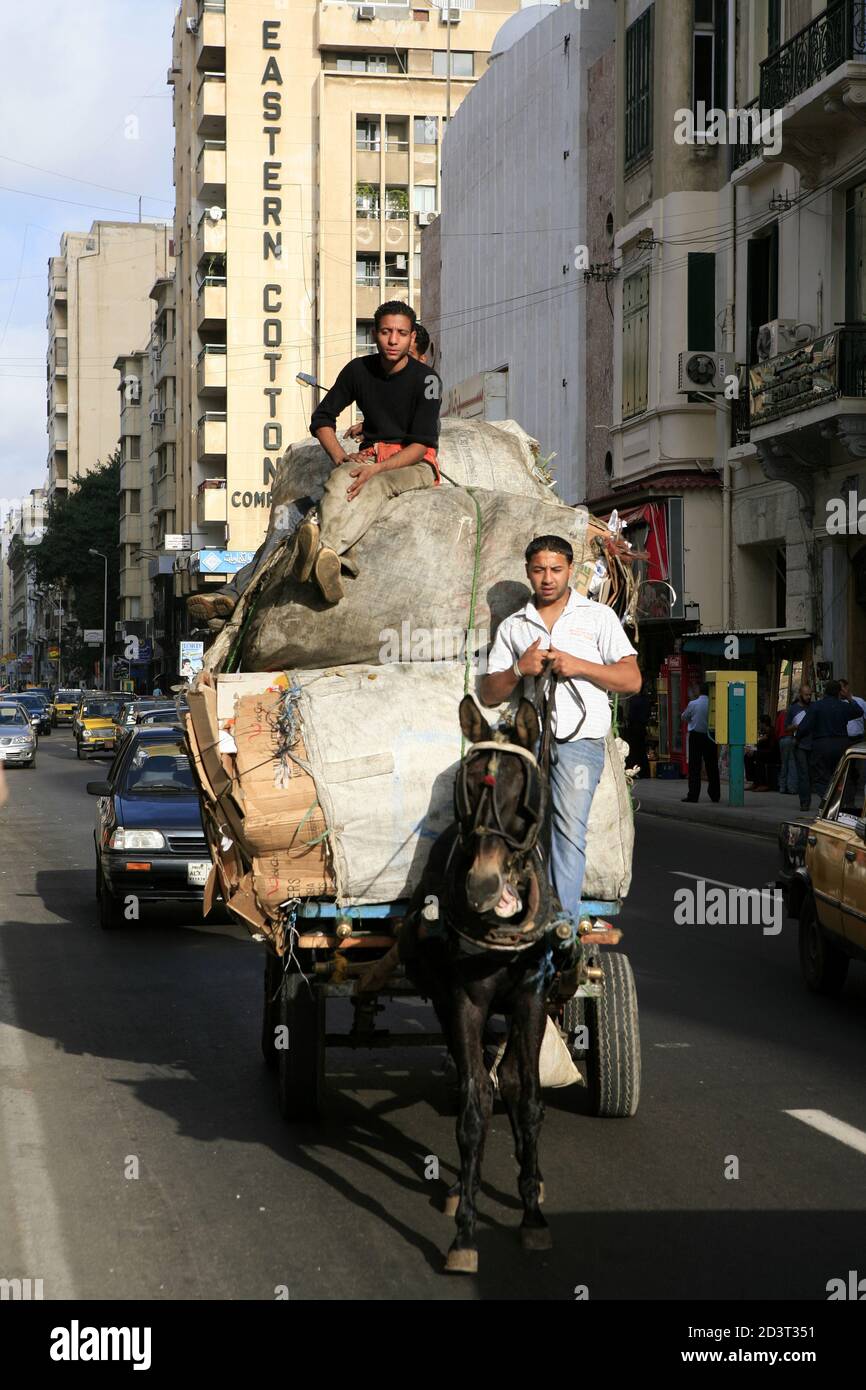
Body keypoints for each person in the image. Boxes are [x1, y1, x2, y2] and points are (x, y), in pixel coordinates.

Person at [186, 303, 441, 619]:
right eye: (386, 332)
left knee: (371, 485)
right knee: (290, 516)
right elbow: (323, 417)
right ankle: (234, 594)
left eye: (402, 335)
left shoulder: (428, 382)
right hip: (367, 460)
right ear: (375, 334)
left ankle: (327, 552)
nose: (393, 341)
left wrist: (376, 466)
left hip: (403, 466)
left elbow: (421, 444)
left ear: (414, 343)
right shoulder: (359, 371)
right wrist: (341, 456)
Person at [480, 535, 641, 921]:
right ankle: (507, 902)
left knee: (568, 831)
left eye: (555, 569)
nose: (547, 578)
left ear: (570, 570)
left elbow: (631, 679)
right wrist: (521, 668)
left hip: (580, 743)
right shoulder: (514, 626)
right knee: (505, 817)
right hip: (529, 740)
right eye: (539, 570)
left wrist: (578, 665)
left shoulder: (597, 617)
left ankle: (560, 926)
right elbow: (488, 692)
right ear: (528, 573)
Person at [795, 680, 862, 798]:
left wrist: (798, 738)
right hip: (841, 744)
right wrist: (849, 698)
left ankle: (827, 801)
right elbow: (858, 711)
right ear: (839, 693)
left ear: (825, 692)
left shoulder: (816, 706)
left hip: (822, 745)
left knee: (821, 777)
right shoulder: (844, 706)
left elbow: (804, 727)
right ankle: (841, 801)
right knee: (842, 775)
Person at [680, 682, 720, 803]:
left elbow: (684, 717)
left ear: (699, 691)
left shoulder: (693, 703)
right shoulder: (714, 704)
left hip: (696, 736)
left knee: (694, 766)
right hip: (711, 736)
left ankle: (693, 794)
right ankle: (715, 794)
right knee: (712, 765)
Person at [785, 683, 813, 809]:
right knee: (803, 773)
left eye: (810, 695)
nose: (808, 697)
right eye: (806, 695)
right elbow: (787, 728)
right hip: (800, 744)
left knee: (812, 773)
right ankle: (805, 801)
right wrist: (796, 726)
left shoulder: (813, 707)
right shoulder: (793, 709)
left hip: (813, 744)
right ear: (800, 695)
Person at [745, 714, 780, 791]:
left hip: (772, 754)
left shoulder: (770, 731)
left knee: (758, 756)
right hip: (764, 752)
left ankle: (763, 783)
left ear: (763, 723)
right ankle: (755, 781)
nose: (759, 725)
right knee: (747, 756)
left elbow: (771, 748)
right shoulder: (763, 732)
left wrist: (755, 750)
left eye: (760, 723)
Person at [625, 682, 651, 778]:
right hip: (642, 727)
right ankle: (645, 771)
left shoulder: (634, 700)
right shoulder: (646, 700)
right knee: (642, 750)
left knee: (634, 750)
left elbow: (630, 715)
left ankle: (634, 770)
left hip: (634, 727)